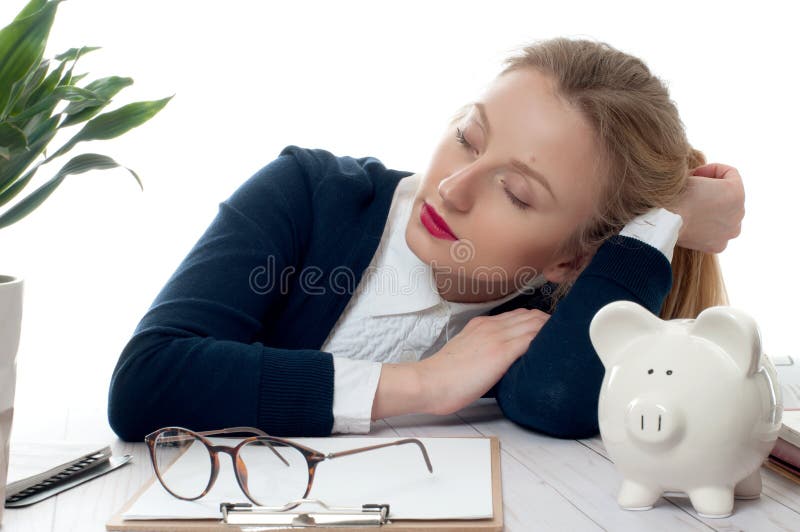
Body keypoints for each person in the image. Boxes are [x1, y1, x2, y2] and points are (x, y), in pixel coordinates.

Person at [108, 38, 744, 441]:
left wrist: (665, 215)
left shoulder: (550, 314)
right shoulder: (308, 193)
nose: (454, 187)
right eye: (468, 136)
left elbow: (556, 402)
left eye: (516, 193)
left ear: (572, 258)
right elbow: (147, 382)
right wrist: (423, 384)